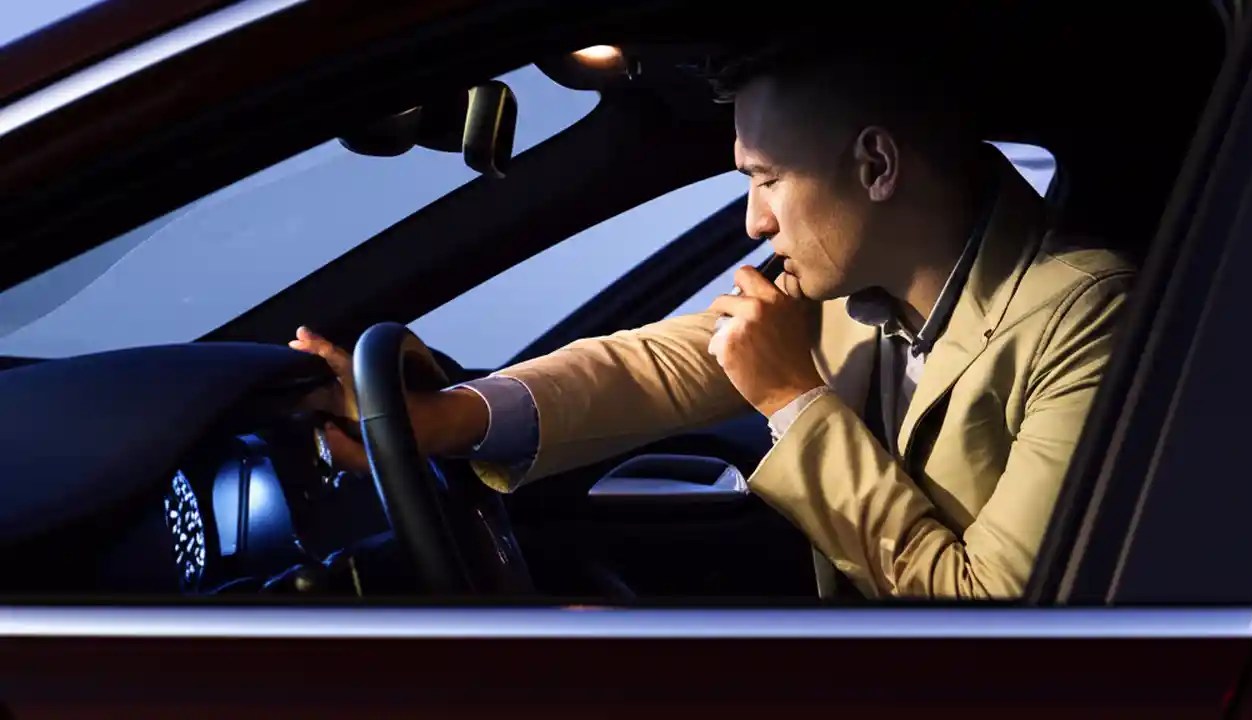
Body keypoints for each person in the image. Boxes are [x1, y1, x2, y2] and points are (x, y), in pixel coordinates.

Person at [291, 43, 1134, 600]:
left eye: (765, 179)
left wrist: (796, 405)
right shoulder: (852, 288)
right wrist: (453, 416)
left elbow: (992, 618)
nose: (753, 222)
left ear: (876, 166)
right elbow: (669, 361)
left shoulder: (1087, 319)